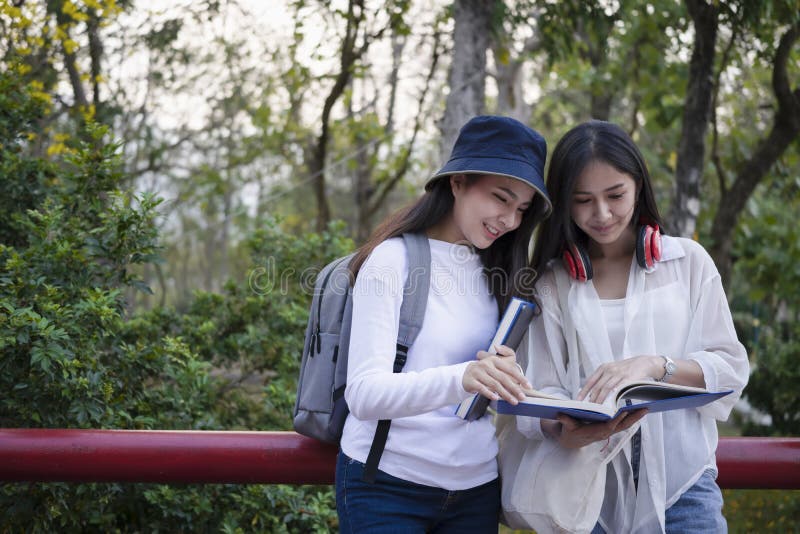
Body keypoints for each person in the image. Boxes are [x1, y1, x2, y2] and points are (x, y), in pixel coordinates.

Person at [519, 120, 749, 533]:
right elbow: (541, 389)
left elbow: (729, 367)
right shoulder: (553, 282)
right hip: (588, 492)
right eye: (583, 200)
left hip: (683, 485)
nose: (602, 214)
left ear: (638, 186)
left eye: (615, 195)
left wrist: (651, 365)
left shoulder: (688, 263)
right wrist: (566, 431)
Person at [335, 115, 552, 533]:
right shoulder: (392, 260)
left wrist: (502, 374)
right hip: (387, 485)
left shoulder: (501, 270)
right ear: (457, 182)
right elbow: (364, 393)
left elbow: (484, 385)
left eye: (522, 209)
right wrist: (466, 376)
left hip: (475, 487)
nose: (509, 219)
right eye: (500, 198)